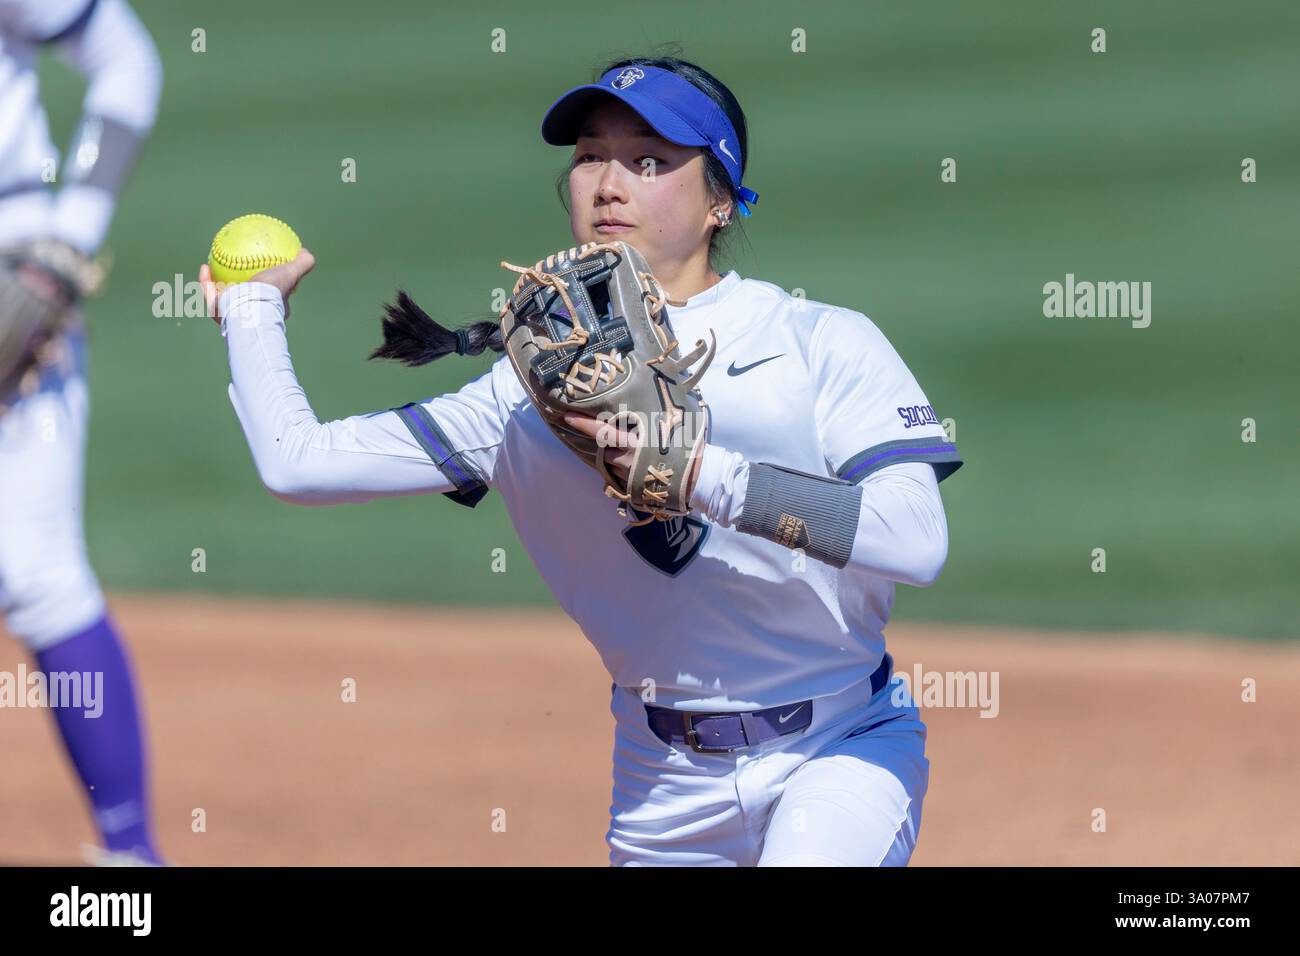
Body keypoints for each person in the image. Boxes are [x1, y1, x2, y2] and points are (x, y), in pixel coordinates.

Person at [202, 55, 962, 866]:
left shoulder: (818, 343)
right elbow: (298, 465)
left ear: (719, 201)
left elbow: (915, 540)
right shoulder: (519, 396)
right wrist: (251, 310)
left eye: (649, 160)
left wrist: (697, 473)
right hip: (661, 783)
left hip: (839, 748)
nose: (608, 183)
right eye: (590, 155)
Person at [0, 0, 163, 865]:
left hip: (13, 269)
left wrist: (71, 239)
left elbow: (125, 57)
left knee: (39, 573)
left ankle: (129, 862)